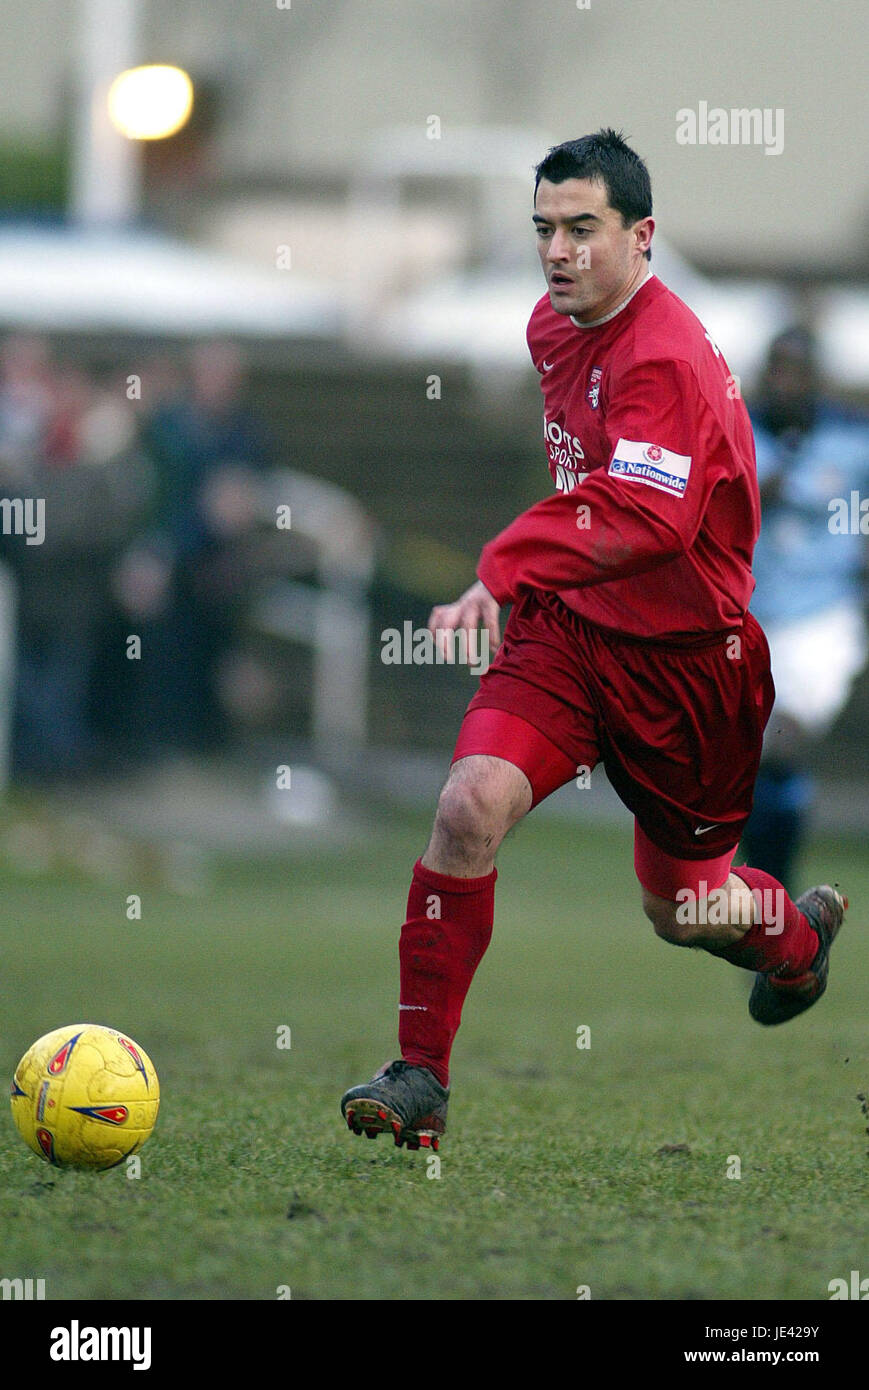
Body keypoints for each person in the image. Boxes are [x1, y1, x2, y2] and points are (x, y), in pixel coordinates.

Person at [340, 130, 847, 1152]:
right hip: (573, 634)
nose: (557, 251)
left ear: (641, 235)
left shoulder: (664, 355)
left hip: (688, 667)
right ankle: (420, 1077)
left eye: (581, 229)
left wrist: (500, 564)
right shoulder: (548, 326)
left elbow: (643, 519)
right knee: (466, 804)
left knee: (680, 910)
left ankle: (795, 941)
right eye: (542, 230)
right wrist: (527, 582)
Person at [741, 327, 869, 892]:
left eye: (792, 369)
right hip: (747, 618)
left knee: (779, 740)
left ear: (817, 379)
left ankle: (764, 893)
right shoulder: (736, 434)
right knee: (760, 764)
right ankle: (772, 902)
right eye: (773, 368)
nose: (780, 380)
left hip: (823, 621)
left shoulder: (854, 439)